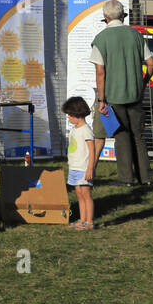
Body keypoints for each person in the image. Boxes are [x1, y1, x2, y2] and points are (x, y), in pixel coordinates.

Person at [90, 0, 153, 188]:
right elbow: (151, 64)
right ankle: (146, 178)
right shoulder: (135, 35)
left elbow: (100, 72)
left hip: (113, 96)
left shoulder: (101, 39)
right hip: (135, 94)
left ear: (105, 17)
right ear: (123, 15)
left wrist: (102, 99)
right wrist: (142, 82)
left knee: (121, 136)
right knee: (138, 136)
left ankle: (126, 178)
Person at [63, 96, 101, 230]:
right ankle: (82, 219)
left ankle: (89, 222)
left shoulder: (86, 130)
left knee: (86, 194)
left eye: (70, 114)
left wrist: (90, 168)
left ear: (77, 113)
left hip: (84, 168)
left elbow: (92, 151)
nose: (68, 117)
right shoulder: (74, 129)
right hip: (74, 168)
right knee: (79, 194)